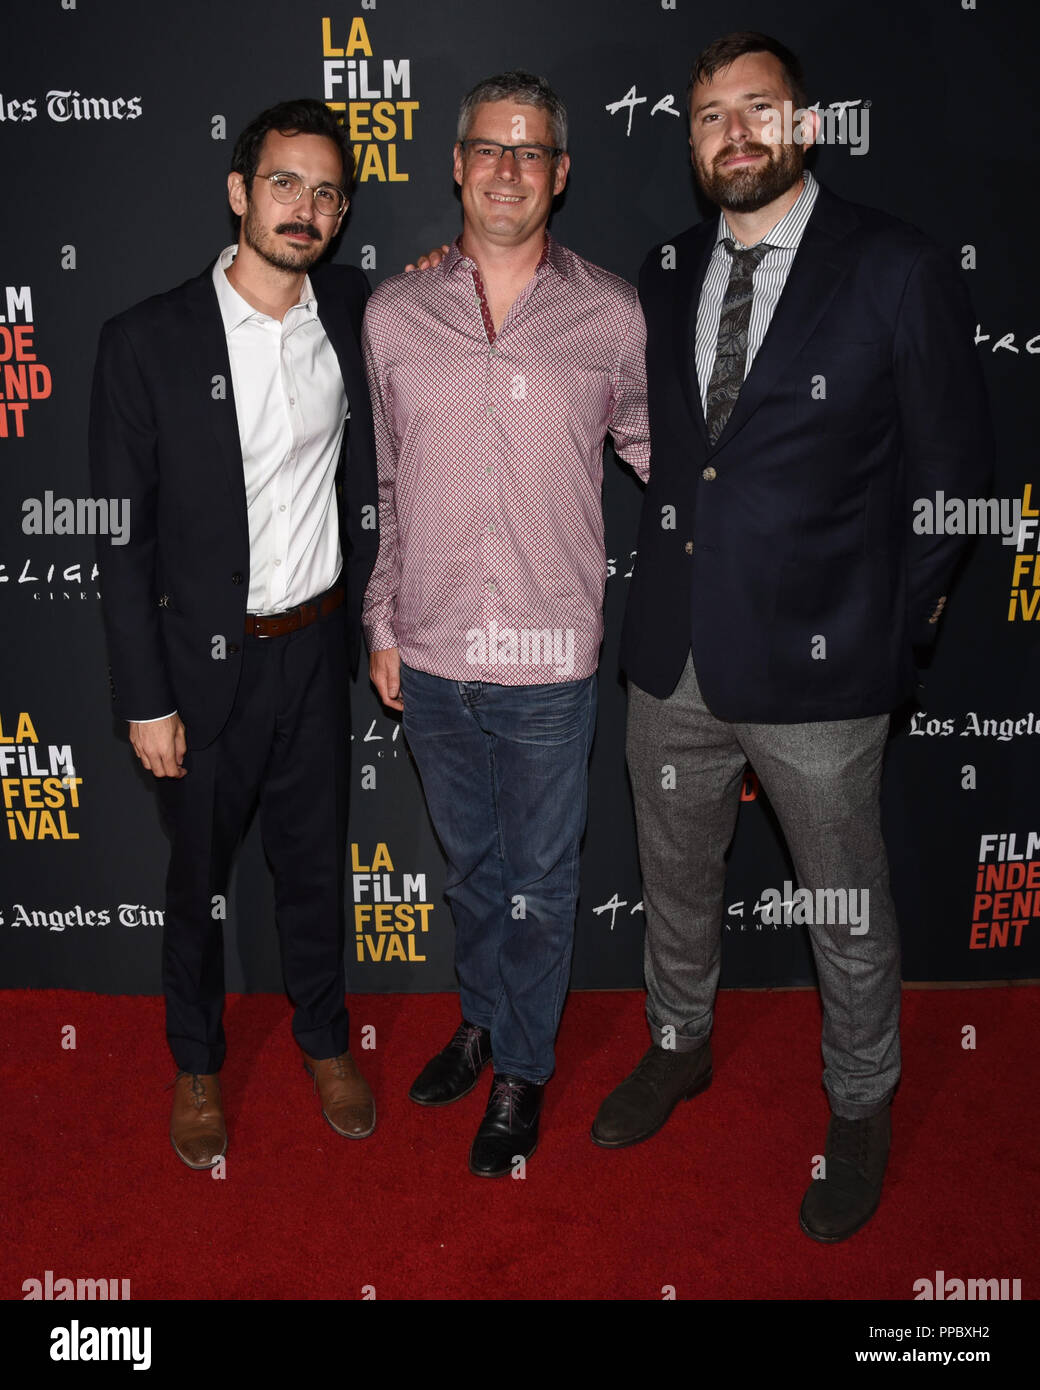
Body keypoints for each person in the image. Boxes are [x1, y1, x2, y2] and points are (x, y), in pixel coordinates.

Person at [592, 32, 992, 1242]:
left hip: (823, 667)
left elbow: (952, 474)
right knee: (672, 881)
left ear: (805, 125)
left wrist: (889, 626)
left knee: (843, 905)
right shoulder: (662, 269)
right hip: (673, 656)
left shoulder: (893, 266)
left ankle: (860, 1102)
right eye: (710, 116)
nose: (733, 134)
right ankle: (679, 1043)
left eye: (756, 110)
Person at [362, 71, 650, 1177]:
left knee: (537, 876)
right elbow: (389, 481)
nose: (507, 168)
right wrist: (382, 620)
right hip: (430, 652)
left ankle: (523, 1064)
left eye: (530, 152)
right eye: (489, 147)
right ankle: (480, 1020)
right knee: (474, 872)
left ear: (560, 175)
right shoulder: (394, 312)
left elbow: (662, 463)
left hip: (547, 662)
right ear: (455, 163)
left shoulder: (610, 313)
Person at [89, 98, 380, 1168]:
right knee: (195, 883)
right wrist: (144, 697)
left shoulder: (348, 307)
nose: (303, 209)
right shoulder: (146, 340)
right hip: (198, 669)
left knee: (314, 868)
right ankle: (198, 1064)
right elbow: (121, 544)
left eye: (325, 192)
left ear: (341, 213)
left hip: (314, 651)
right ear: (237, 193)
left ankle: (322, 1040)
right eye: (283, 184)